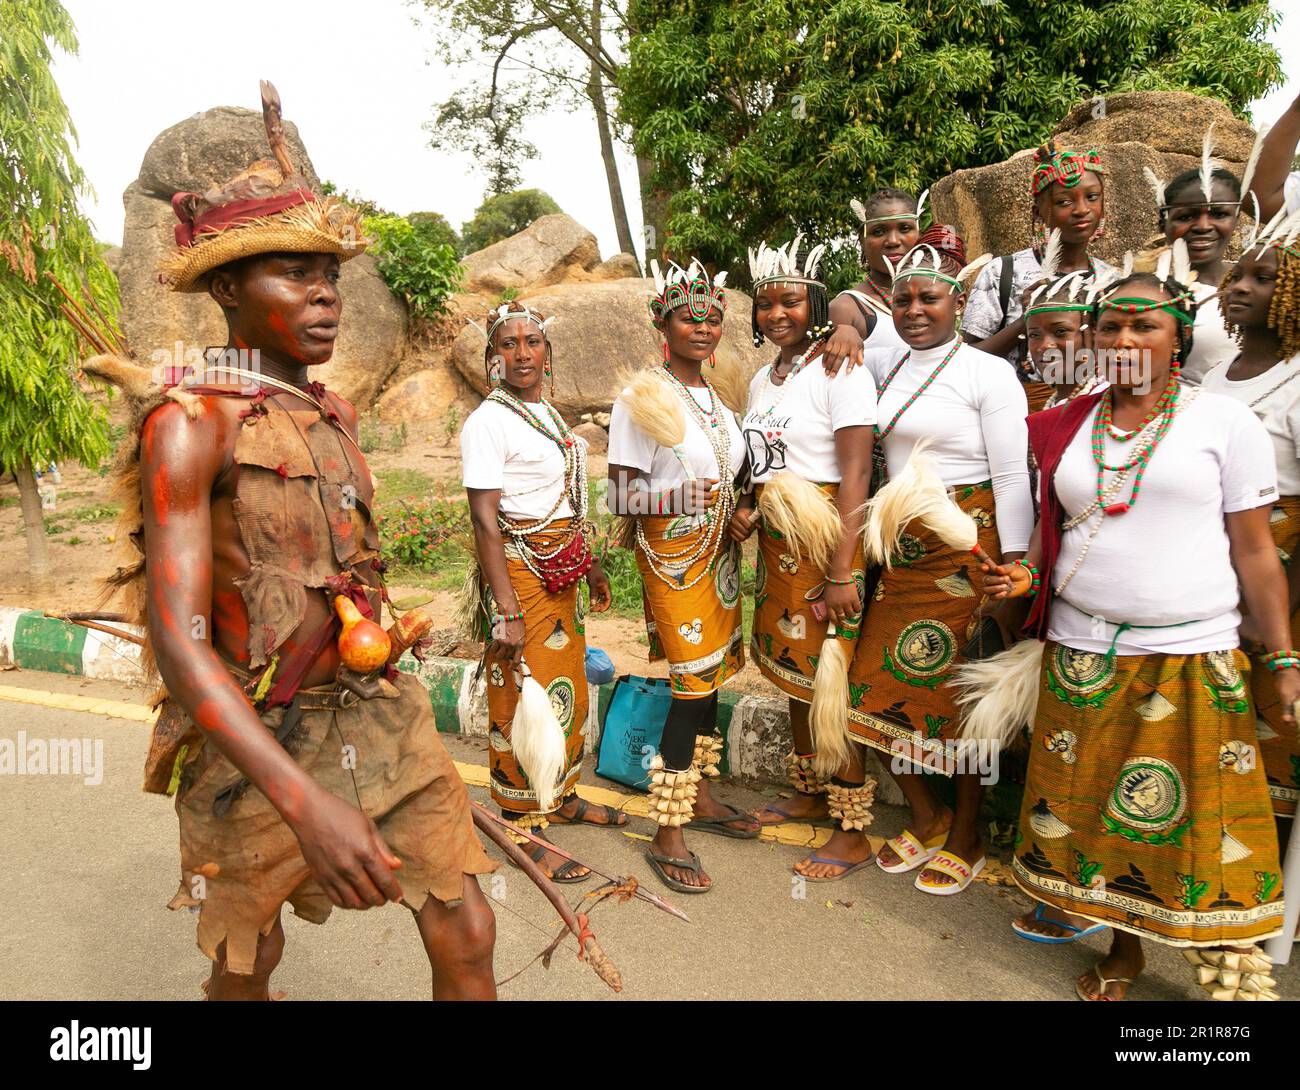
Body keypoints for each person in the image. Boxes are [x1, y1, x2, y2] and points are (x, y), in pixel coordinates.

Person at [94, 85, 496, 1000]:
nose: (325, 295)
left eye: (333, 276)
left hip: (375, 713)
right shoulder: (191, 424)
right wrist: (303, 801)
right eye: (293, 273)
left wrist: (384, 633)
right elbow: (182, 647)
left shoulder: (331, 410)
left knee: (467, 925)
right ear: (228, 288)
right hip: (253, 741)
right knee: (249, 957)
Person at [982, 245, 1293, 1000]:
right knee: (1098, 818)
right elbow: (1048, 538)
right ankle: (1123, 952)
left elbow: (1256, 551)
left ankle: (1228, 974)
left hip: (1192, 654)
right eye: (1110, 327)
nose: (1123, 342)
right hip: (1082, 652)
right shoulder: (1062, 426)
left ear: (1179, 337)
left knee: (1205, 825)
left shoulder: (1223, 421)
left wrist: (1282, 659)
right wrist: (1017, 577)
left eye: (1144, 327)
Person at [843, 224, 1034, 895]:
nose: (916, 310)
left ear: (957, 304)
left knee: (964, 704)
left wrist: (1011, 572)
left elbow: (1014, 478)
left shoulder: (990, 373)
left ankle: (967, 834)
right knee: (872, 689)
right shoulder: (885, 367)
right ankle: (926, 815)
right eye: (904, 300)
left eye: (930, 298)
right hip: (904, 557)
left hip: (971, 555)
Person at [607, 259, 757, 894]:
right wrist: (676, 500)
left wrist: (742, 511)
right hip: (673, 555)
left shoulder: (719, 401)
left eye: (712, 316)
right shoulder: (641, 397)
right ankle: (666, 827)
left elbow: (734, 475)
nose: (702, 326)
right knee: (692, 683)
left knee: (714, 673)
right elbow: (619, 496)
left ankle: (698, 793)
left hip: (720, 553)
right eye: (687, 316)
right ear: (662, 324)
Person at [461, 302, 623, 884]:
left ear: (548, 354)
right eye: (508, 344)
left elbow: (567, 501)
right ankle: (521, 824)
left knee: (568, 687)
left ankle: (565, 794)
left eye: (532, 342)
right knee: (521, 694)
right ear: (492, 359)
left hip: (561, 570)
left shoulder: (547, 416)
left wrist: (593, 565)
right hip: (520, 576)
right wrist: (505, 611)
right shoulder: (488, 422)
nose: (523, 353)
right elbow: (485, 521)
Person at [732, 235, 878, 878]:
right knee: (795, 674)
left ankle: (853, 827)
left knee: (830, 680)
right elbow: (765, 460)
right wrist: (748, 506)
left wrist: (843, 569)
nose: (777, 314)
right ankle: (811, 793)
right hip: (778, 540)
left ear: (816, 302)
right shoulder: (767, 376)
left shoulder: (840, 369)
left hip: (825, 544)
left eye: (791, 301)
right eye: (766, 304)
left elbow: (854, 477)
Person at [1203, 221, 1300, 822]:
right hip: (1217, 556)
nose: (1240, 287)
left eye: (1262, 279)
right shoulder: (1216, 377)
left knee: (1278, 728)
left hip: (1280, 562)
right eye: (1237, 275)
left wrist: (1282, 611)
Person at [963, 142, 1114, 410]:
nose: (1081, 210)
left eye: (1092, 197)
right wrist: (1028, 320)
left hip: (1094, 411)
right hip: (1014, 411)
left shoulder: (1111, 280)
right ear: (1038, 212)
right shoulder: (1003, 273)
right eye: (1063, 201)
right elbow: (966, 359)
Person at [1147, 128, 1255, 382]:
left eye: (1218, 214)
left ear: (1236, 220)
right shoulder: (1148, 292)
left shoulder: (1265, 283)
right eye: (1186, 216)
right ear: (1164, 224)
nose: (1203, 226)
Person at [820, 188, 914, 371]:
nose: (893, 240)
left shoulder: (938, 298)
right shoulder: (846, 309)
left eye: (905, 228)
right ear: (862, 241)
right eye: (879, 231)